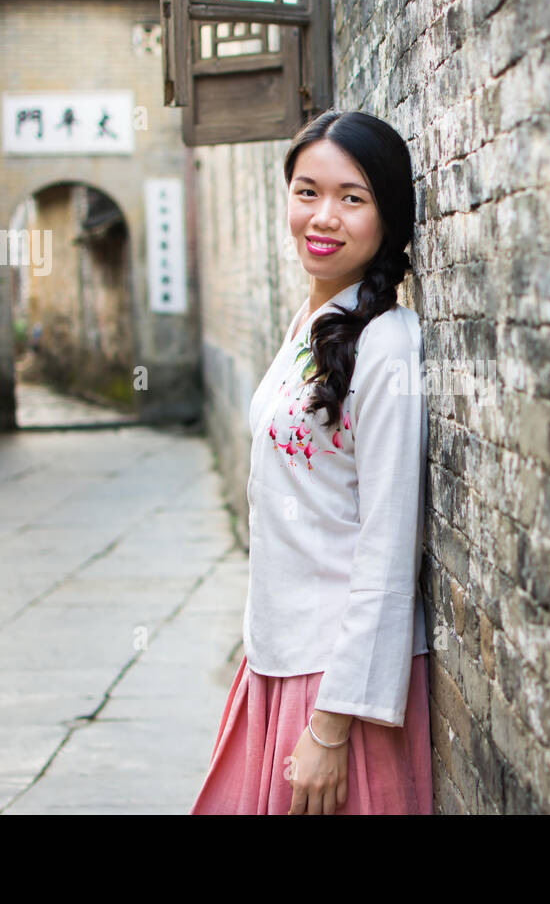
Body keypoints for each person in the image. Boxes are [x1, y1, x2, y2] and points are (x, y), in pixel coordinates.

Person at [190, 110, 432, 815]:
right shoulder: (316, 325)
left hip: (337, 685)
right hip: (278, 656)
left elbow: (389, 549)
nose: (323, 217)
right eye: (307, 191)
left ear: (390, 214)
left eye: (352, 198)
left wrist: (330, 727)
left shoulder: (386, 347)